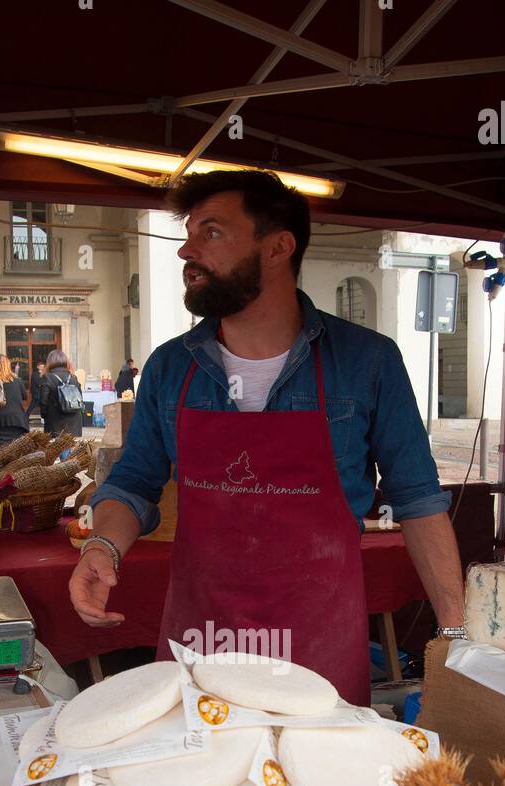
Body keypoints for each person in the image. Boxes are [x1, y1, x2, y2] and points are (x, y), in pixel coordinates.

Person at [69, 170, 465, 707]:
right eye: (188, 234)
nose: (186, 250)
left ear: (279, 247)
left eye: (210, 233)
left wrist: (456, 636)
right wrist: (102, 545)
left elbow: (418, 501)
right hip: (204, 639)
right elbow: (135, 482)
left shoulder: (367, 362)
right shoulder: (170, 366)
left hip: (318, 640)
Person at [39, 349, 83, 440]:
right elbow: (80, 397)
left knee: (57, 449)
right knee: (67, 448)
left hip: (55, 420)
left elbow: (43, 401)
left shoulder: (47, 377)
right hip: (73, 419)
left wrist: (44, 415)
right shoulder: (73, 377)